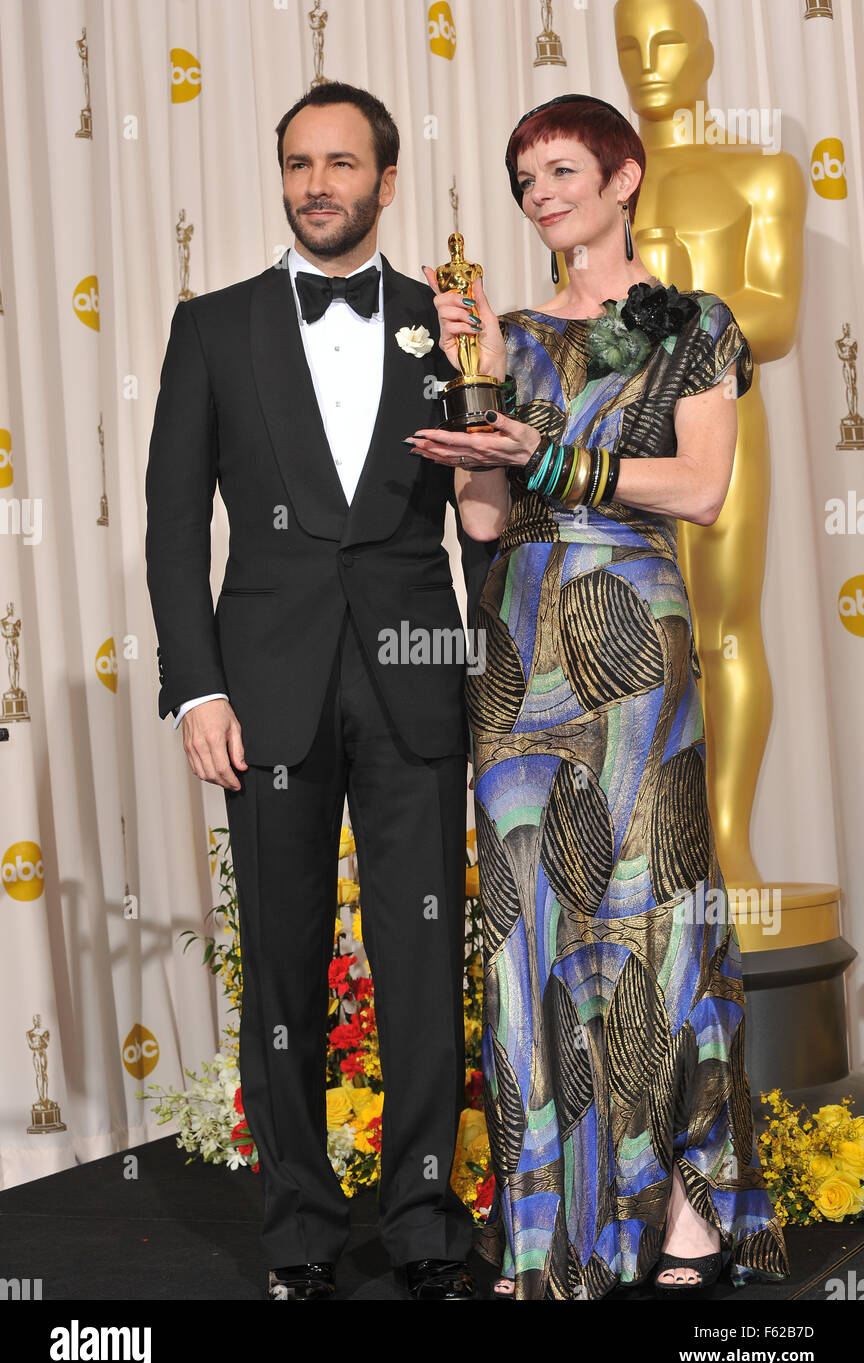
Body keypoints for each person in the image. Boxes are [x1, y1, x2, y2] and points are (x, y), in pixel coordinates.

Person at [408, 93, 791, 1300]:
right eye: (525, 180)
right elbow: (483, 520)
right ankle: (548, 1234)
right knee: (532, 931)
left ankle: (683, 1207)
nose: (543, 195)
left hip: (636, 634)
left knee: (652, 913)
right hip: (521, 639)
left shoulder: (693, 324)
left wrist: (553, 457)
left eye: (563, 169)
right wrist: (472, 398)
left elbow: (700, 491)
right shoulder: (507, 335)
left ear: (625, 177)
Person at [145, 82, 496, 1301]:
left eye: (342, 162)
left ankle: (423, 1218)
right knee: (282, 965)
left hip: (417, 681)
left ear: (386, 182)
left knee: (421, 960)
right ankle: (297, 1225)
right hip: (264, 691)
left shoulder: (448, 322)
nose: (317, 183)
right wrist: (195, 691)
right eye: (299, 161)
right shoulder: (211, 325)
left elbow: (484, 524)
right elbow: (170, 525)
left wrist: (501, 684)